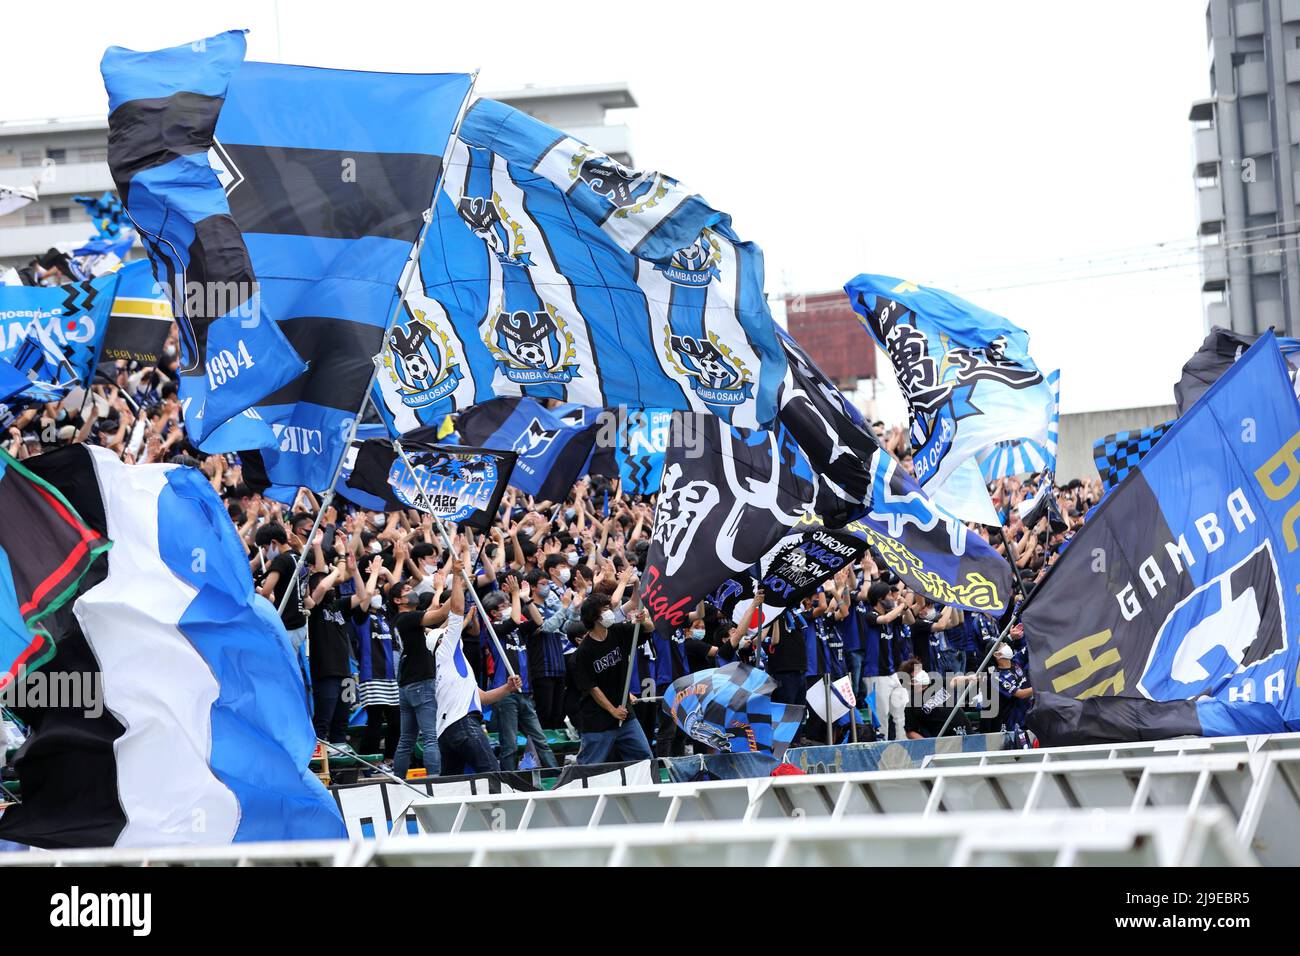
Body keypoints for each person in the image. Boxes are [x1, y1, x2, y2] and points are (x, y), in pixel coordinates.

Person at [433, 550, 522, 775]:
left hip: (446, 732)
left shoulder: (453, 665)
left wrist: (507, 688)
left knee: (450, 786)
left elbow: (481, 697)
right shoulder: (445, 650)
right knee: (493, 774)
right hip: (464, 724)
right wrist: (456, 578)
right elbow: (455, 611)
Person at [482, 577, 558, 771]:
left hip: (525, 691)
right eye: (504, 605)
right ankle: (509, 780)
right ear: (494, 613)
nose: (509, 606)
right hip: (506, 693)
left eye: (509, 603)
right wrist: (515, 594)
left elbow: (539, 621)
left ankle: (555, 775)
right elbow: (514, 619)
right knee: (510, 744)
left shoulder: (518, 631)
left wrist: (527, 600)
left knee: (541, 739)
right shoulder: (494, 629)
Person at [571, 592, 653, 765]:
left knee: (644, 758)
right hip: (598, 720)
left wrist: (643, 620)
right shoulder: (582, 653)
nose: (610, 612)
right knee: (591, 766)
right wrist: (612, 710)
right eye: (606, 609)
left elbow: (649, 629)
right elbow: (592, 687)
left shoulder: (618, 631)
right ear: (594, 616)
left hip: (625, 713)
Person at [390, 564, 451, 780]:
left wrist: (439, 589)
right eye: (407, 591)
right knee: (430, 737)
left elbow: (435, 617)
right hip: (421, 683)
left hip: (406, 686)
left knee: (406, 739)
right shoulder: (407, 618)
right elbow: (440, 613)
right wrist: (458, 587)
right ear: (398, 600)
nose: (412, 592)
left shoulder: (401, 621)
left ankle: (398, 780)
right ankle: (434, 780)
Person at [306, 546, 366, 752]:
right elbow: (321, 589)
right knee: (324, 720)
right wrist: (335, 572)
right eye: (330, 585)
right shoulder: (313, 609)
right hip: (326, 674)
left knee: (342, 720)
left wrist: (355, 570)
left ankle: (340, 761)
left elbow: (362, 595)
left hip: (346, 674)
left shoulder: (338, 606)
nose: (333, 588)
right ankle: (320, 761)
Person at [254, 522, 309, 651]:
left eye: (265, 548)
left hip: (286, 625)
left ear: (274, 542)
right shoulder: (299, 558)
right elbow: (305, 592)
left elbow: (266, 592)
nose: (266, 553)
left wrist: (258, 589)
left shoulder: (281, 560)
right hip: (300, 624)